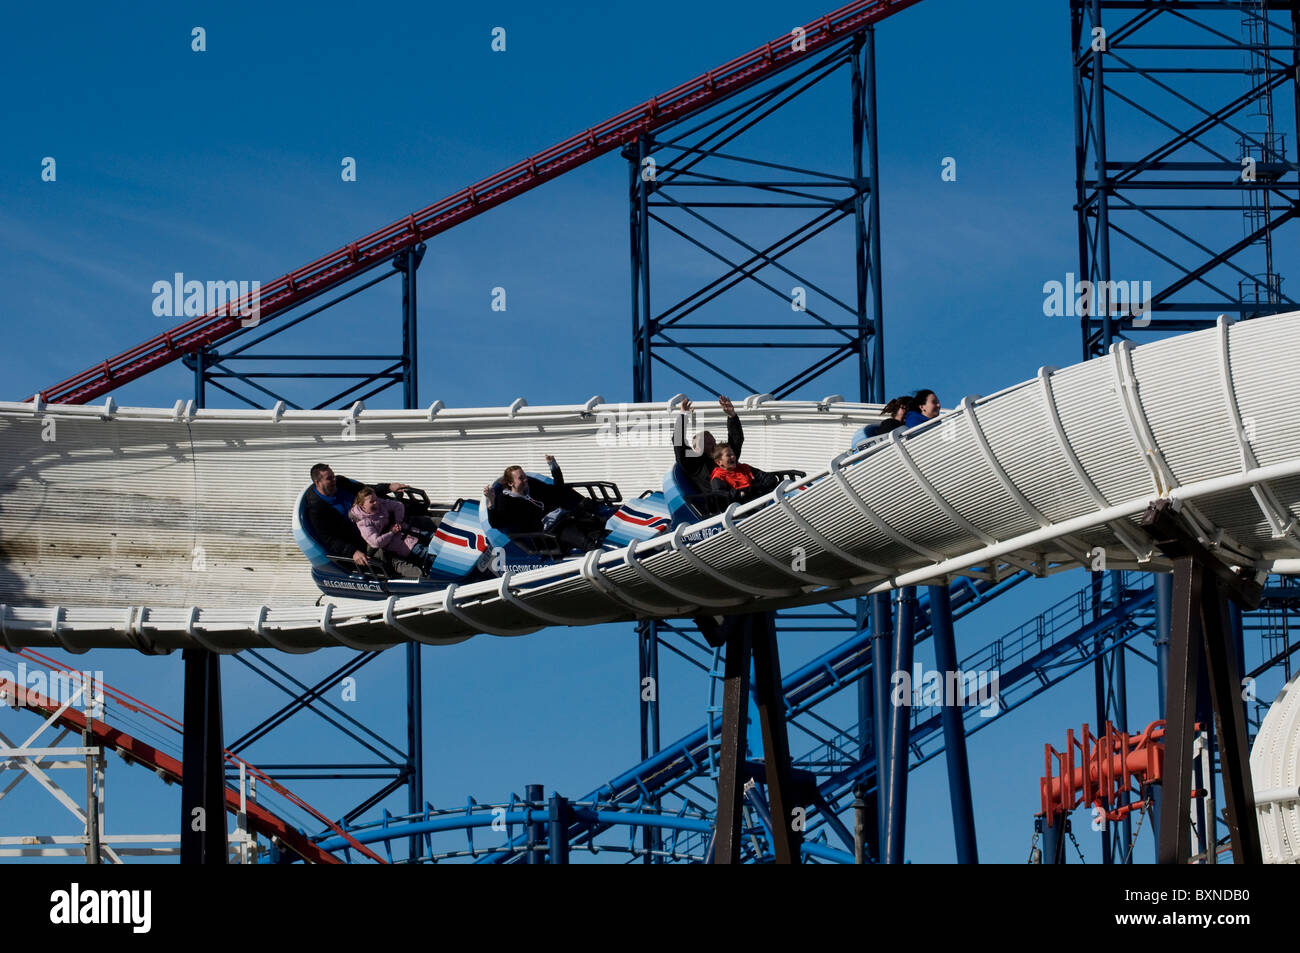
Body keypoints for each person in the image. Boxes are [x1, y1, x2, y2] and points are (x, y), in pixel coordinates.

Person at [304, 463, 421, 572]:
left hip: (382, 522)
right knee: (392, 558)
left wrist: (389, 487)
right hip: (365, 541)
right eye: (329, 478)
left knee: (419, 524)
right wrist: (353, 552)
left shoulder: (341, 483)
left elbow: (365, 490)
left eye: (333, 476)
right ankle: (421, 574)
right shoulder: (317, 509)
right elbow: (329, 539)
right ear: (317, 482)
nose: (334, 480)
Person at [483, 455, 607, 553]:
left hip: (566, 517)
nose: (525, 480)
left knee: (598, 523)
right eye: (521, 478)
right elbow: (496, 523)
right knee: (588, 543)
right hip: (552, 531)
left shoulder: (533, 487)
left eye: (525, 476)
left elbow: (557, 489)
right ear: (511, 483)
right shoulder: (505, 501)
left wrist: (554, 466)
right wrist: (491, 501)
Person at [349, 487, 434, 576]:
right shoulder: (364, 523)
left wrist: (398, 521)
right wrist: (391, 532)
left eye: (376, 499)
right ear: (362, 505)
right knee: (428, 553)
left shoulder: (380, 504)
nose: (376, 503)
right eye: (372, 502)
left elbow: (398, 505)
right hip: (401, 544)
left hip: (410, 532)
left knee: (436, 538)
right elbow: (376, 542)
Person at [673, 395, 744, 493]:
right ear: (697, 449)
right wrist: (683, 416)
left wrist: (732, 416)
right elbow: (678, 443)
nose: (714, 445)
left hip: (745, 493)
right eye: (708, 443)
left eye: (713, 441)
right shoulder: (694, 464)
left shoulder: (724, 456)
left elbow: (736, 439)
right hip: (723, 503)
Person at [709, 442, 778, 505]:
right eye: (728, 455)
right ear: (719, 462)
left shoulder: (744, 468)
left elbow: (768, 477)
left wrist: (756, 488)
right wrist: (744, 492)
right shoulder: (718, 478)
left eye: (733, 454)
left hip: (761, 499)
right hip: (742, 510)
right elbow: (723, 496)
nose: (733, 457)